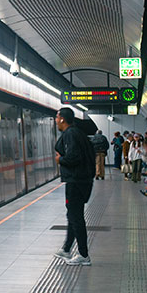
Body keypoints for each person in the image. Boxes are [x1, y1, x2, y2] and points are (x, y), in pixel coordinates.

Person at [53, 108, 98, 265]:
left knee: (76, 217)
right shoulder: (77, 133)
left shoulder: (71, 134)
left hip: (76, 181)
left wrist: (61, 160)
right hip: (82, 180)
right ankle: (66, 249)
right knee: (72, 215)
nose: (56, 120)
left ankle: (84, 255)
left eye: (57, 117)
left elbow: (73, 157)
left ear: (63, 119)